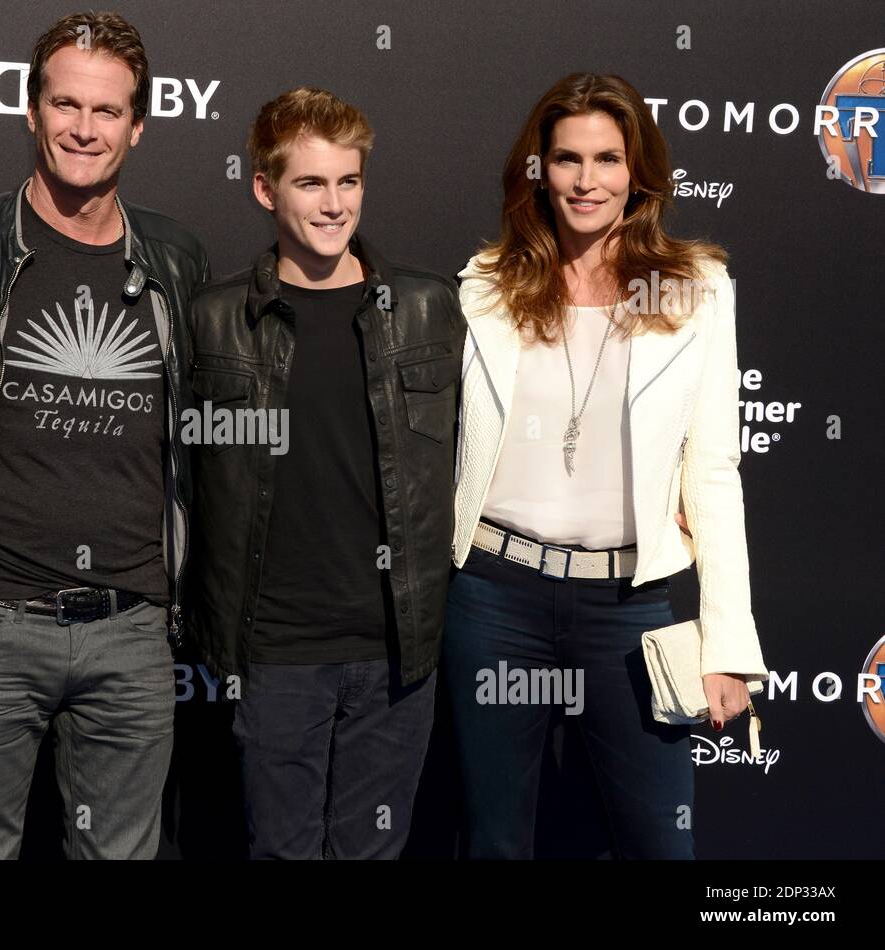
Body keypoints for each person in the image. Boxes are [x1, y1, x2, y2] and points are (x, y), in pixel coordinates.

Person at [446, 73, 768, 859]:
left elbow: (716, 471)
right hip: (493, 599)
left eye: (607, 159)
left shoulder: (696, 290)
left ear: (639, 172)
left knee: (660, 839)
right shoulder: (487, 285)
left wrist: (729, 648)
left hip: (631, 605)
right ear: (538, 169)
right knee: (494, 840)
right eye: (566, 159)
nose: (587, 181)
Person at [0, 11, 209, 859]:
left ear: (140, 126)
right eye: (66, 105)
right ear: (31, 109)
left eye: (107, 111)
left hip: (133, 630)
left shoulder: (176, 259)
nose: (84, 129)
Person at [187, 87, 464, 858]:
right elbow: (177, 476)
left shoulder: (426, 306)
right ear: (265, 189)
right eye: (311, 183)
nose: (334, 204)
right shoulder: (214, 318)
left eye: (349, 181)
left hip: (396, 648)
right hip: (274, 651)